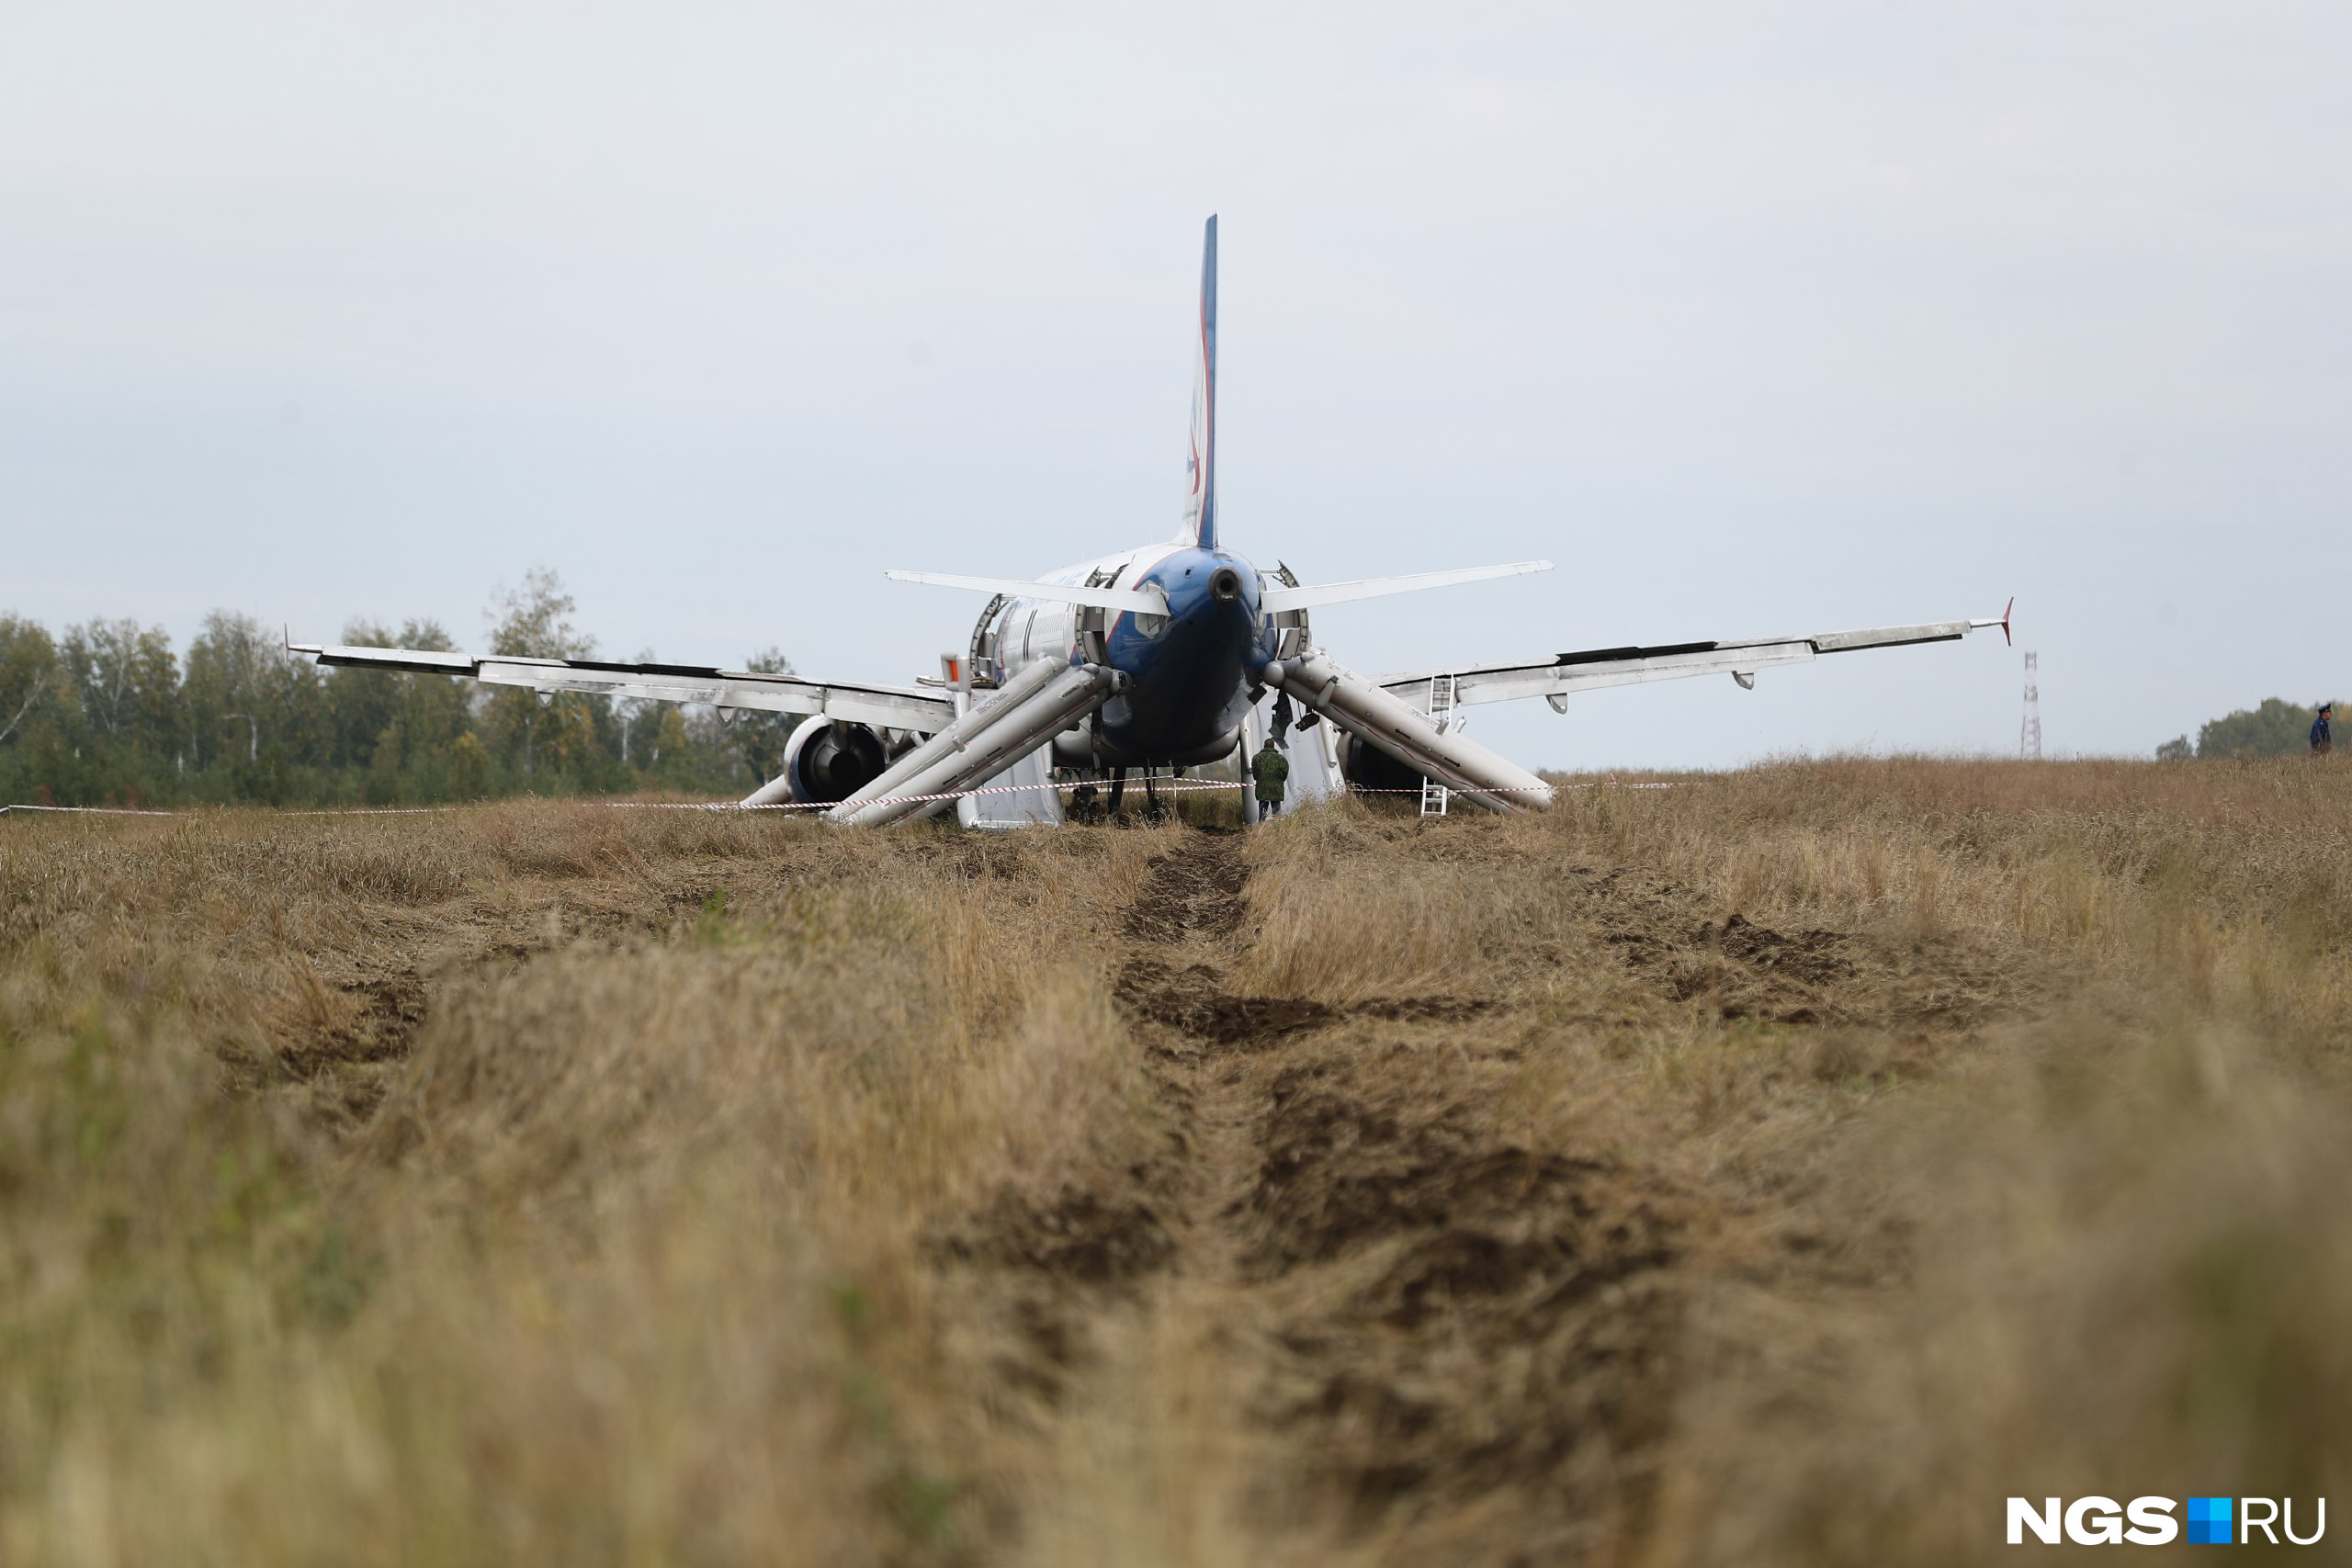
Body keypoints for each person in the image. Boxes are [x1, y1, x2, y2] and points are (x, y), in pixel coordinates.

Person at [1250, 739, 1290, 822]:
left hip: (1262, 790)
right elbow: (1285, 773)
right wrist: (1279, 781)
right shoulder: (1281, 759)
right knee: (1277, 813)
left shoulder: (1257, 758)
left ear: (1264, 746)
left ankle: (1261, 830)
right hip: (1276, 790)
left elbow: (1255, 774)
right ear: (1273, 746)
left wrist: (1259, 779)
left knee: (1262, 811)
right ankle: (1277, 830)